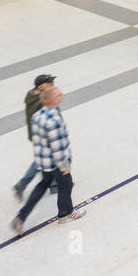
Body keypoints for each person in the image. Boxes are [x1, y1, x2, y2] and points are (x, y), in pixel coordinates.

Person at [11, 81, 84, 233]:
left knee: (41, 186)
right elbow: (57, 148)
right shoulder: (54, 121)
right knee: (66, 184)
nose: (61, 95)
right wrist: (64, 166)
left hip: (43, 161)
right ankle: (65, 213)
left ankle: (20, 217)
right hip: (55, 162)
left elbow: (39, 139)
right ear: (53, 100)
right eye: (58, 94)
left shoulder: (38, 115)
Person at [12, 75, 58, 201]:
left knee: (50, 158)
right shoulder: (42, 99)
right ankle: (21, 185)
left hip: (38, 134)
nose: (53, 83)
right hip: (44, 134)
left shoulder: (33, 96)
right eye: (50, 82)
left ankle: (54, 185)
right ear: (41, 86)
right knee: (41, 161)